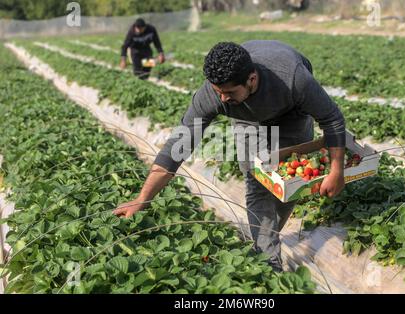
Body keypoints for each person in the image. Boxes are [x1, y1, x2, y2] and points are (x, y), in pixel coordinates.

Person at [113, 41, 346, 272]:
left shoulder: (292, 77)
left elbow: (332, 119)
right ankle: (268, 264)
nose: (222, 99)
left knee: (289, 185)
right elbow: (178, 147)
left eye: (229, 92)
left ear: (251, 80)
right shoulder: (214, 94)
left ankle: (265, 238)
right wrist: (143, 198)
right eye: (218, 92)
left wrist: (336, 171)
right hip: (247, 120)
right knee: (258, 182)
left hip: (290, 114)